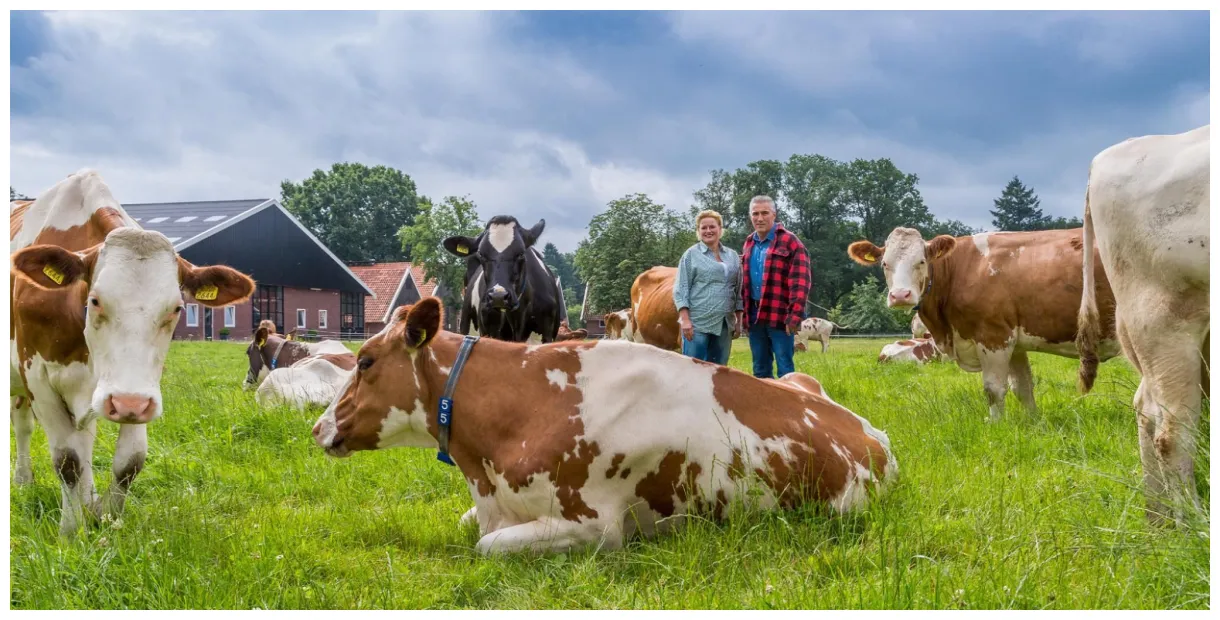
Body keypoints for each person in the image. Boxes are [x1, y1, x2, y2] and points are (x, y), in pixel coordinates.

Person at [740, 195, 810, 379]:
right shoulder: (749, 243)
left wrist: (795, 316)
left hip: (780, 315)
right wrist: (743, 316)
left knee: (785, 368)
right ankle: (764, 406)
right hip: (754, 316)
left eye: (765, 213)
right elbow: (743, 283)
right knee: (760, 368)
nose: (760, 218)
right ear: (750, 216)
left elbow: (801, 282)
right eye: (755, 214)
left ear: (774, 214)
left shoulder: (790, 241)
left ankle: (789, 405)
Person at [673, 210, 743, 365]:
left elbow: (738, 291)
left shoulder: (732, 256)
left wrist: (738, 321)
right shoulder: (691, 255)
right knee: (692, 368)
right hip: (698, 323)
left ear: (720, 229)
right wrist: (685, 320)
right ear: (698, 231)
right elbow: (681, 288)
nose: (708, 231)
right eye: (703, 228)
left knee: (719, 371)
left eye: (712, 226)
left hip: (725, 323)